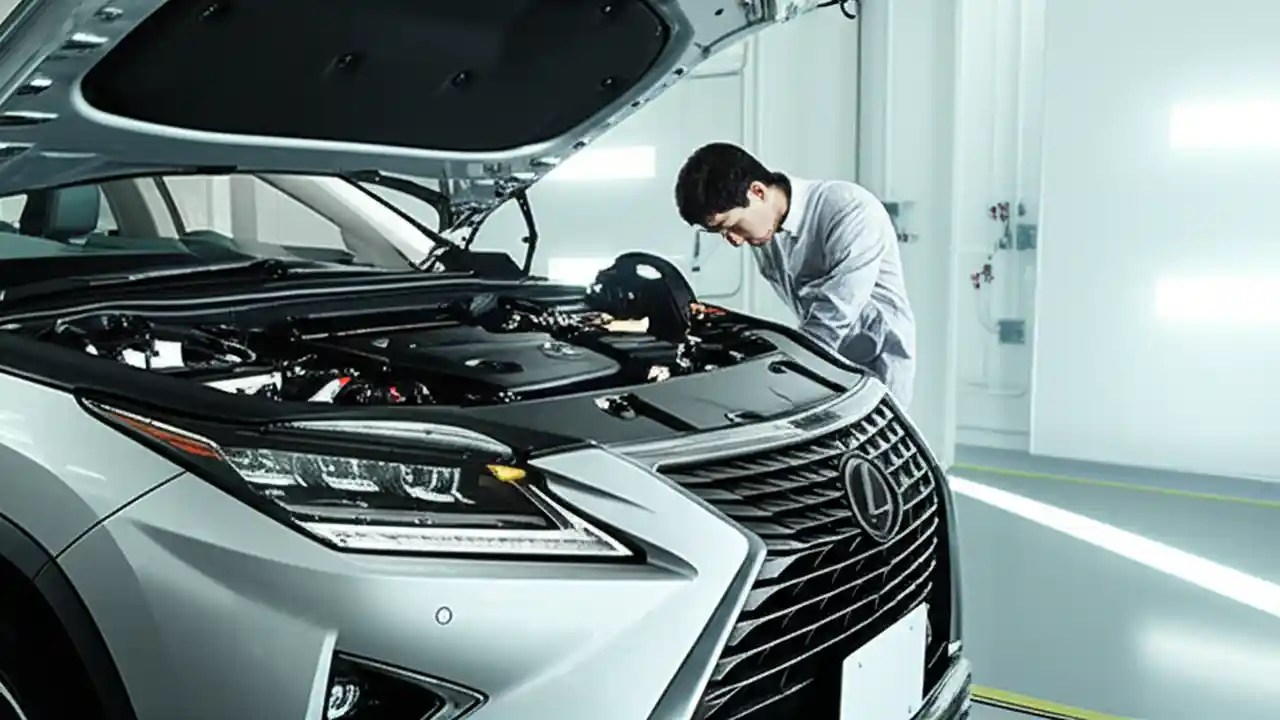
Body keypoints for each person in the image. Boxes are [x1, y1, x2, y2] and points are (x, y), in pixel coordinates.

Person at [674, 142, 916, 407]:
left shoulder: (848, 209)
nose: (733, 240)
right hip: (825, 368)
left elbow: (832, 318)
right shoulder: (766, 231)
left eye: (731, 226)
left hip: (874, 370)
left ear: (757, 191)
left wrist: (773, 378)